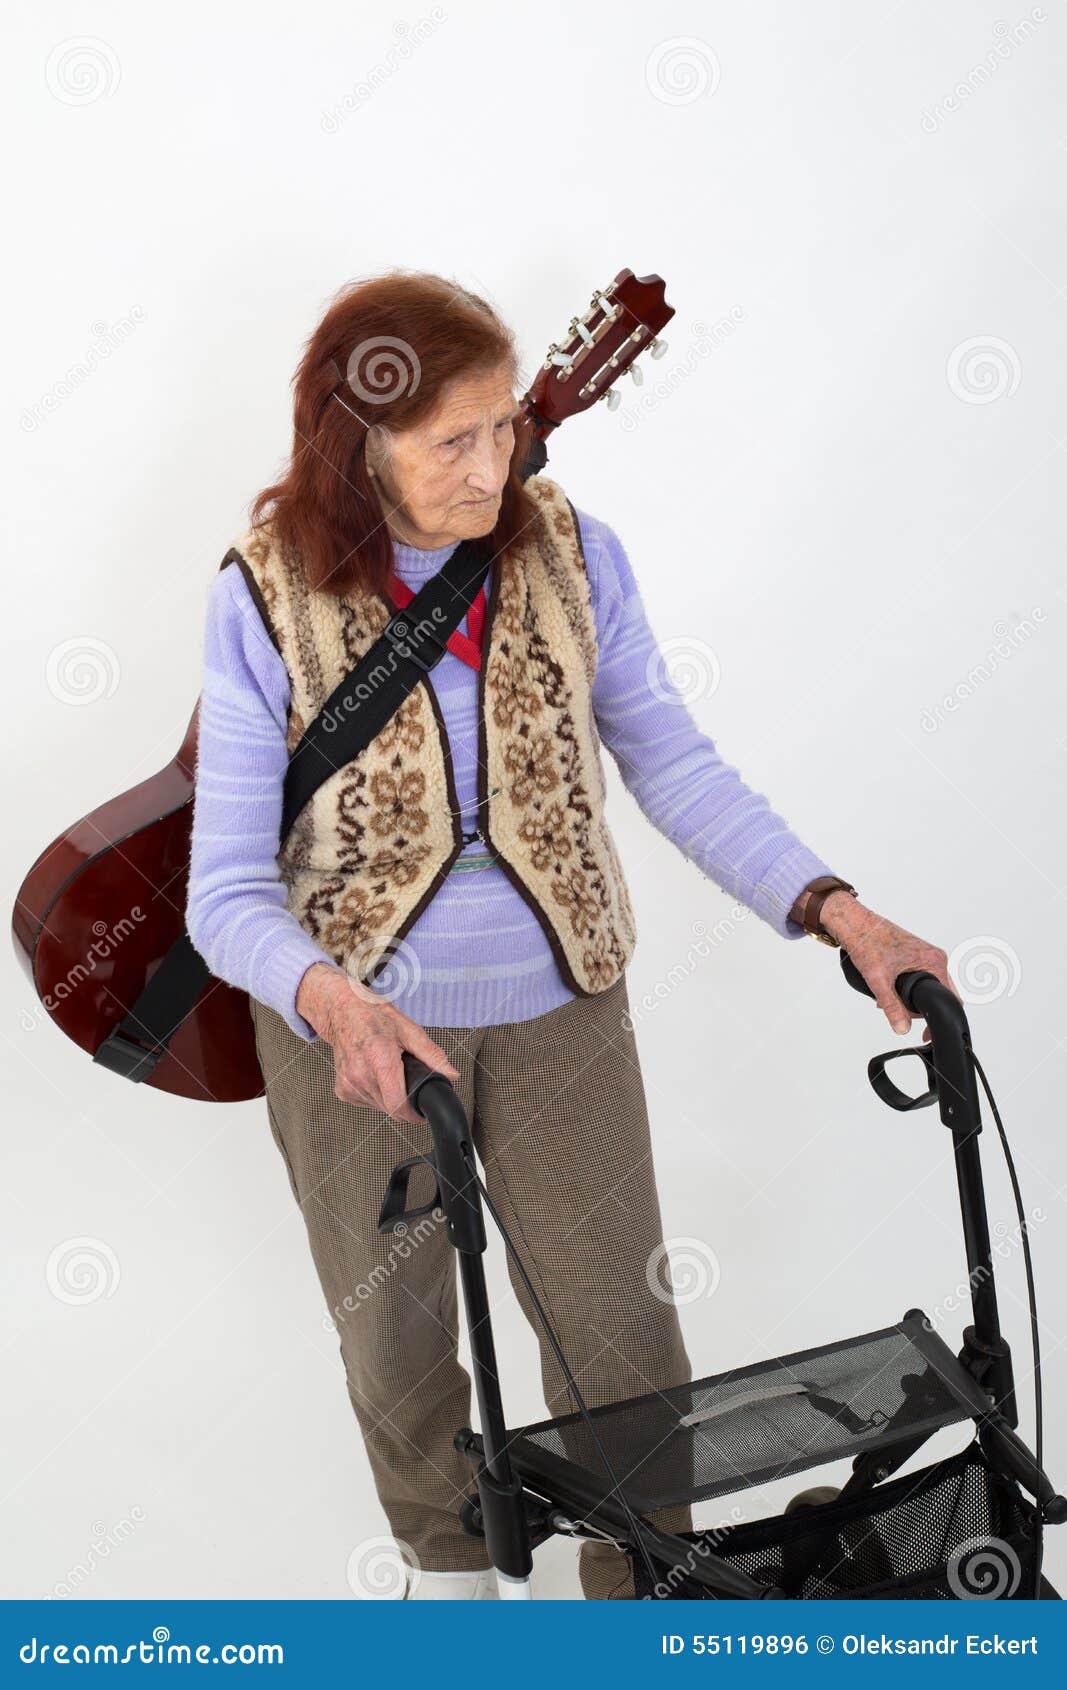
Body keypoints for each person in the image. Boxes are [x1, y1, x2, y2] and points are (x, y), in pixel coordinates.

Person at [186, 270, 957, 1600]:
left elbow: (678, 764)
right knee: (399, 1353)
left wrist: (835, 905)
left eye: (504, 426)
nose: (496, 467)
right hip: (354, 1038)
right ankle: (457, 1593)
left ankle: (638, 1612)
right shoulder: (262, 597)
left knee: (624, 1349)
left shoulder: (576, 553)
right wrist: (331, 1003)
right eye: (453, 441)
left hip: (562, 1016)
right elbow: (223, 890)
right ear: (351, 440)